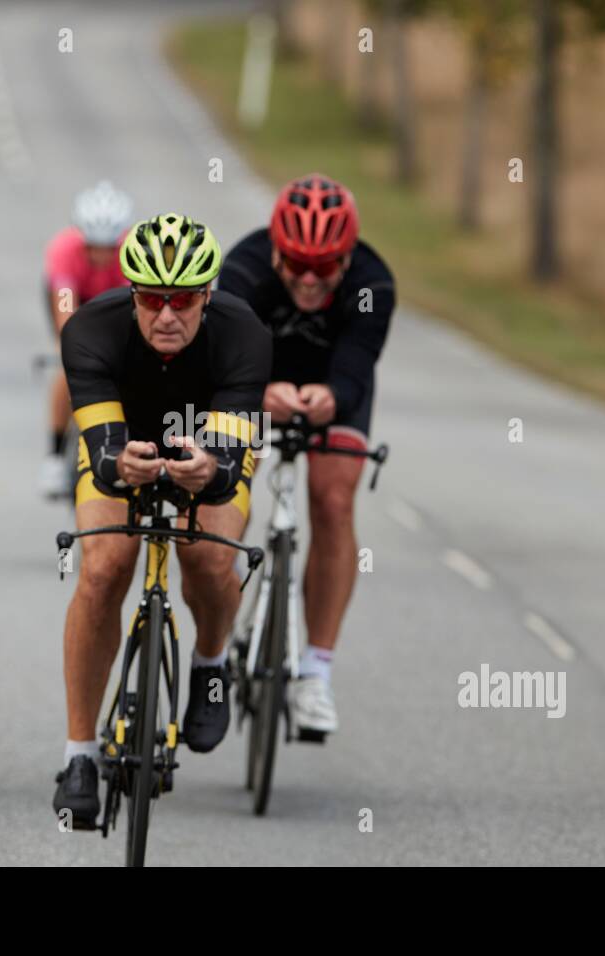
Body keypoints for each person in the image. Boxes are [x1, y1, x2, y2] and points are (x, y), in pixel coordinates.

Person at [52, 213, 271, 828]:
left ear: (207, 295)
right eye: (151, 299)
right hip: (123, 439)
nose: (166, 315)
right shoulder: (91, 329)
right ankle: (79, 756)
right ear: (131, 295)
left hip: (209, 444)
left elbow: (228, 460)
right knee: (103, 569)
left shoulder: (243, 334)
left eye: (182, 300)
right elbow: (103, 453)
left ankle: (209, 662)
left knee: (208, 556)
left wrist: (209, 471)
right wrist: (122, 463)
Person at [219, 174, 394, 740]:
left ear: (348, 258)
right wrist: (257, 390)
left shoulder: (374, 283)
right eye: (297, 264)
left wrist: (333, 398)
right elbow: (226, 352)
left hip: (332, 389)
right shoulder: (243, 268)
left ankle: (315, 670)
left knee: (334, 499)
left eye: (327, 266)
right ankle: (214, 647)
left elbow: (357, 362)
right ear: (275, 249)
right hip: (253, 382)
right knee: (224, 491)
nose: (311, 279)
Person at [40, 180, 133, 497]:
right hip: (74, 299)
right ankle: (54, 454)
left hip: (115, 305)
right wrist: (75, 345)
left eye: (109, 247)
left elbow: (133, 312)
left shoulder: (131, 253)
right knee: (67, 361)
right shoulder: (64, 250)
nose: (102, 254)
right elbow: (65, 306)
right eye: (94, 246)